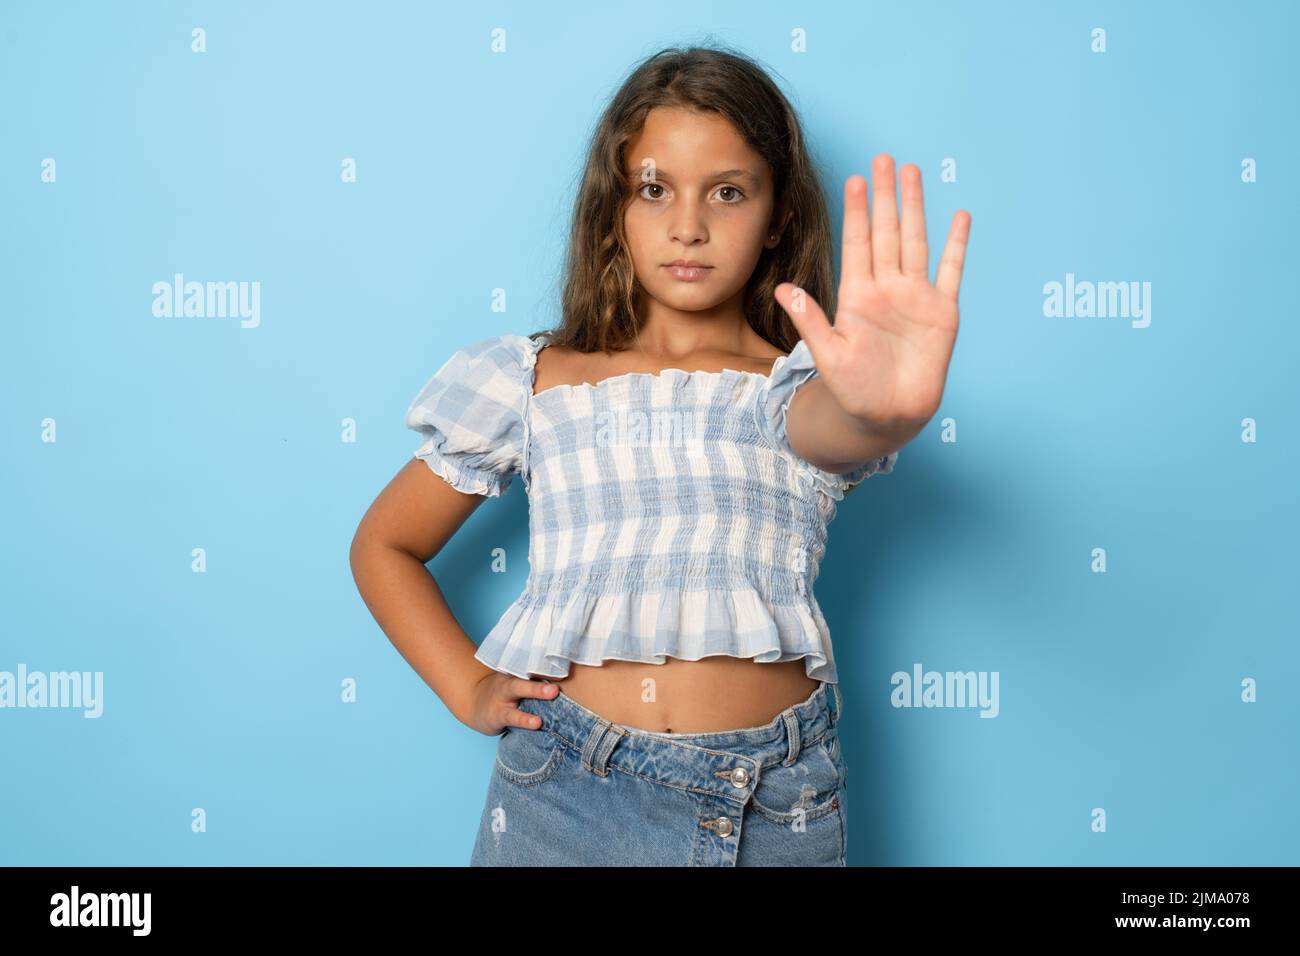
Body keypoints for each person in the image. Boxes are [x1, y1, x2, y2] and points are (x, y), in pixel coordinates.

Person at [350, 44, 970, 866]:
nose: (688, 225)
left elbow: (840, 429)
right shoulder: (532, 381)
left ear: (778, 214)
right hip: (569, 796)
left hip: (779, 802)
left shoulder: (795, 388)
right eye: (654, 190)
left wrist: (881, 409)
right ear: (616, 208)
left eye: (728, 191)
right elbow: (384, 546)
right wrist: (468, 685)